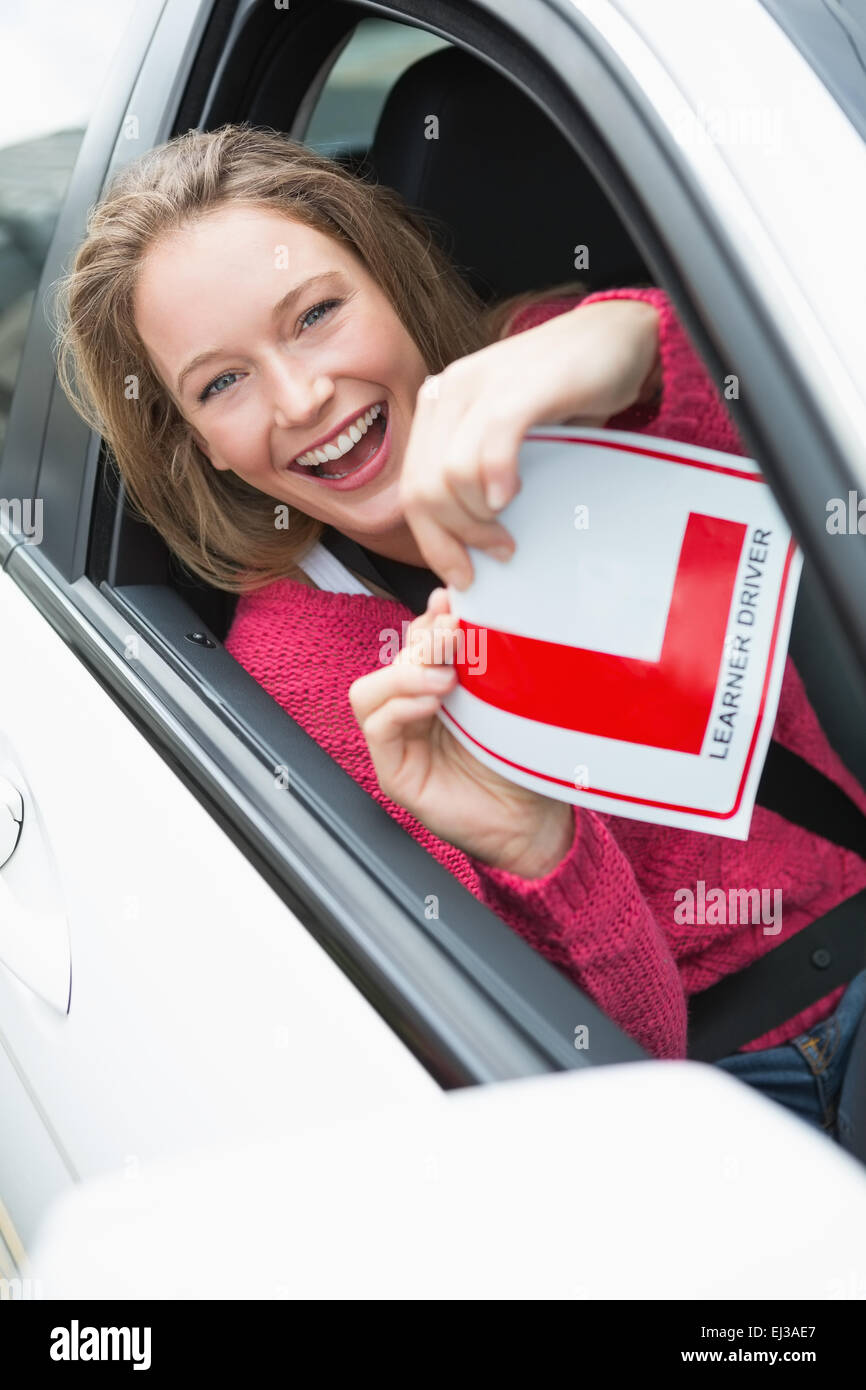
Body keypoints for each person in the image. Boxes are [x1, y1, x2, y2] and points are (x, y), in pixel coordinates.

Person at [51, 123, 866, 1144]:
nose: (301, 398)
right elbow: (601, 1075)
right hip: (720, 1092)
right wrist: (540, 848)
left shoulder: (571, 384)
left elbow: (812, 389)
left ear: (388, 280)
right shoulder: (304, 678)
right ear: (198, 446)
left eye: (315, 315)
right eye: (221, 382)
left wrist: (628, 341)